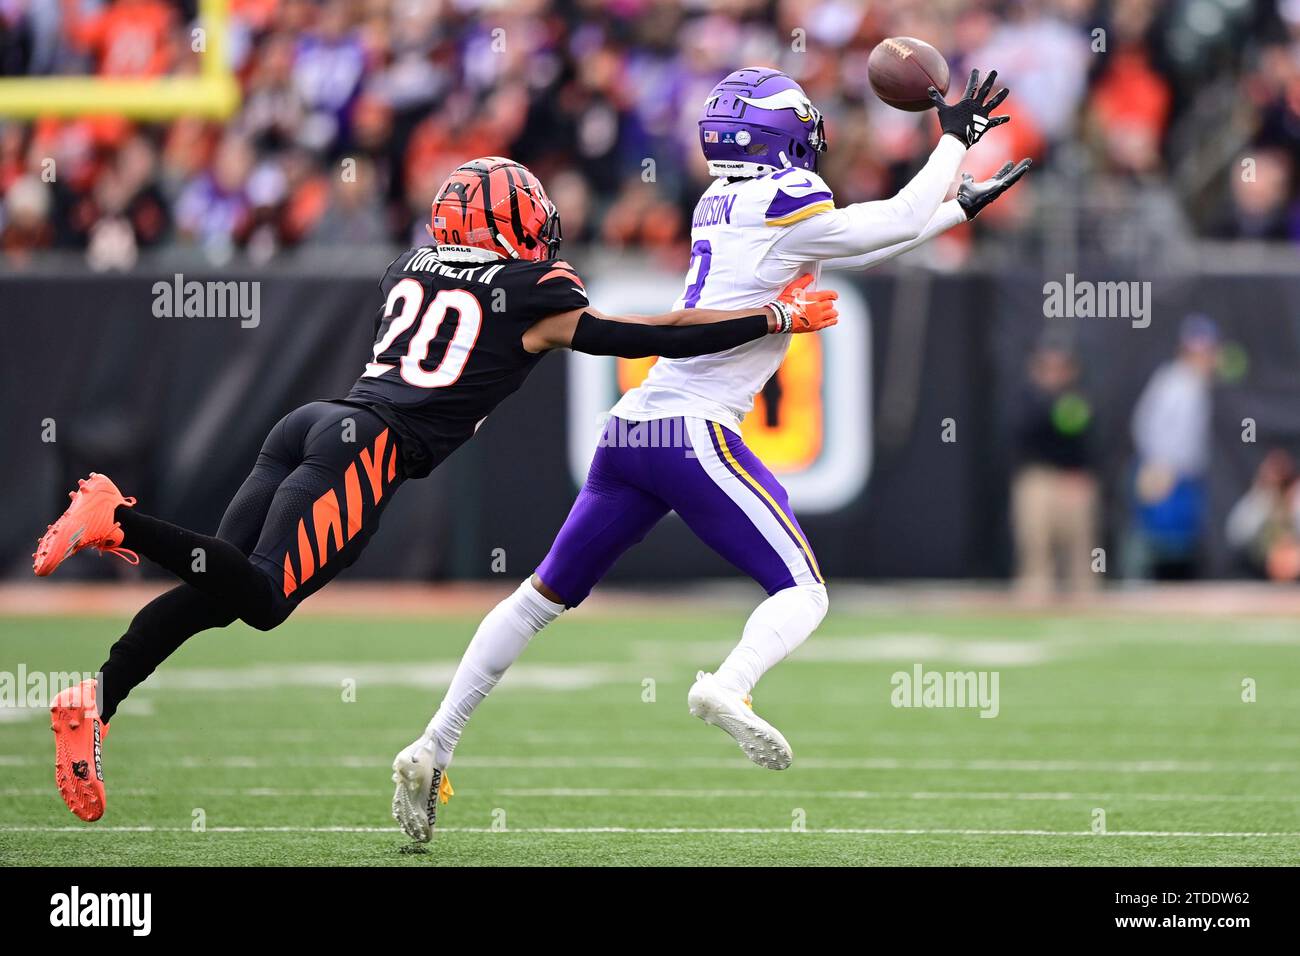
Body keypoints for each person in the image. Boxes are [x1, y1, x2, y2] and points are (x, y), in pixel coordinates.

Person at [31, 156, 839, 823]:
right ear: (505, 224)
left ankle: (95, 700)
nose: (539, 227)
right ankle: (121, 521)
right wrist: (773, 320)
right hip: (367, 449)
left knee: (218, 584)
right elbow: (639, 335)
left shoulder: (405, 268)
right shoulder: (534, 291)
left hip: (312, 424)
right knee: (265, 598)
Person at [391, 68, 1030, 842]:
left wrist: (955, 203)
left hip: (633, 429)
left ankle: (434, 742)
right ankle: (728, 686)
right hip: (693, 431)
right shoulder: (785, 198)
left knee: (537, 599)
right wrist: (954, 143)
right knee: (804, 594)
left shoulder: (720, 200)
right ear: (781, 132)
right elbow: (889, 219)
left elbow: (868, 237)